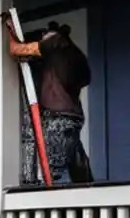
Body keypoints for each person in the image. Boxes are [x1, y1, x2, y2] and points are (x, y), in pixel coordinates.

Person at [6, 18, 92, 186]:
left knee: (50, 172)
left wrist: (8, 31)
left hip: (57, 118)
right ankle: (89, 192)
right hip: (71, 118)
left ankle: (34, 191)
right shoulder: (71, 55)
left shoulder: (55, 43)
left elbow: (16, 49)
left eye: (45, 35)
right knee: (75, 163)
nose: (43, 37)